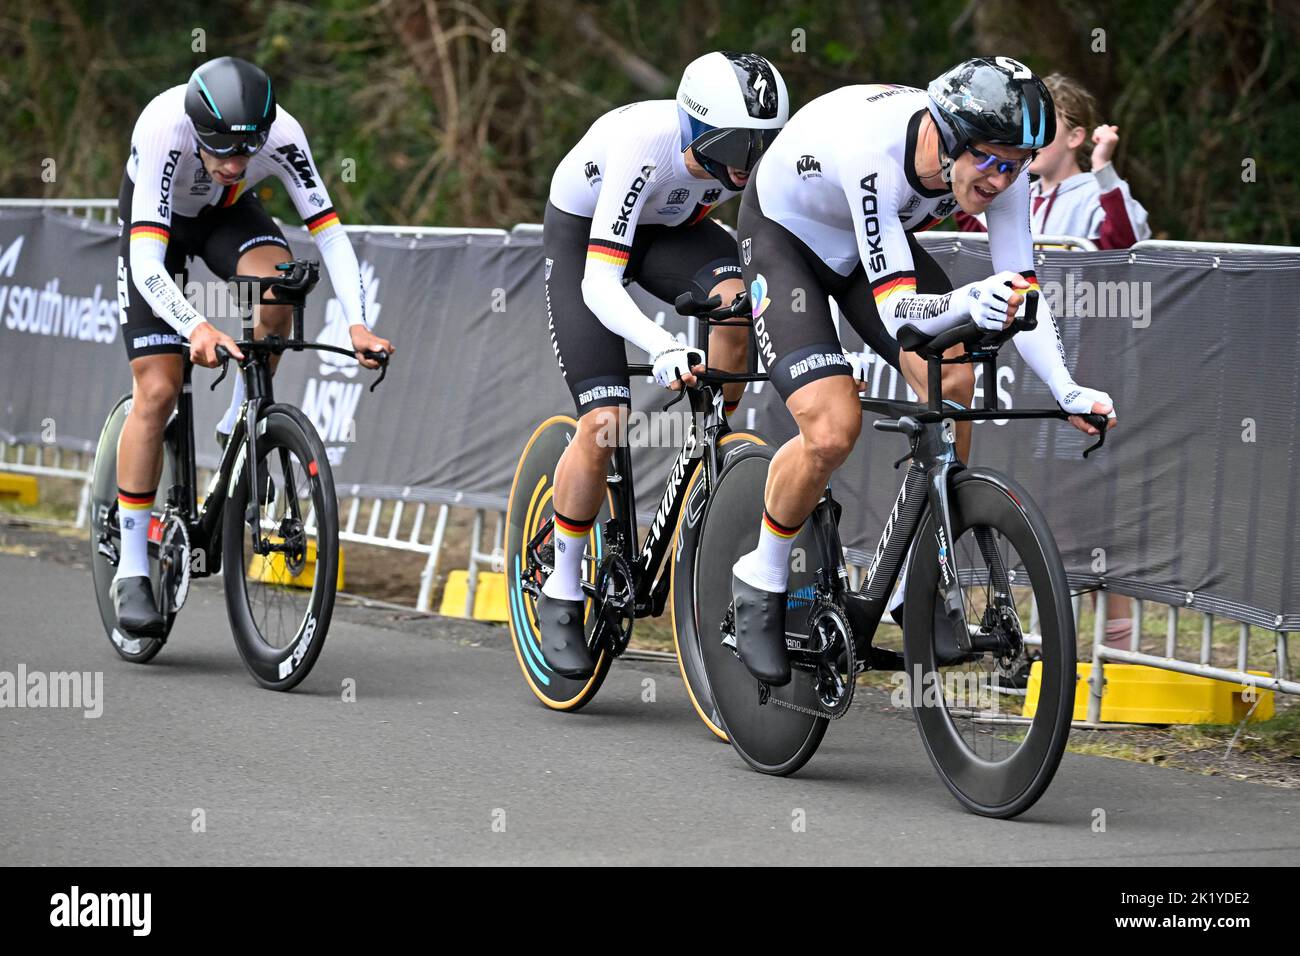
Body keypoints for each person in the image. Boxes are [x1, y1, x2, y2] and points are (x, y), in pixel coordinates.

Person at [729, 57, 1117, 686]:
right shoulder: (874, 154)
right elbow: (899, 311)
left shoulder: (1002, 170)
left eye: (1016, 165)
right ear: (950, 136)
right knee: (831, 429)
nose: (999, 180)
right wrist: (967, 301)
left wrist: (1066, 387)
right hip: (787, 240)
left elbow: (1023, 291)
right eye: (988, 160)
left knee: (955, 381)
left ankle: (917, 583)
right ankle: (761, 575)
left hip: (864, 248)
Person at [112, 56, 393, 636]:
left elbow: (331, 234)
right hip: (157, 230)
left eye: (247, 153)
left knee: (284, 281)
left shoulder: (284, 134)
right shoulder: (164, 126)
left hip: (228, 216)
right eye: (222, 153)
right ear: (198, 132)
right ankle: (133, 570)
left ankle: (241, 415)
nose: (236, 163)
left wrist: (358, 324)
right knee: (159, 389)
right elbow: (145, 263)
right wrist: (195, 327)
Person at [537, 51, 789, 678]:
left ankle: (712, 441)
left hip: (674, 228)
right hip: (586, 240)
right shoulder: (642, 144)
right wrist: (663, 345)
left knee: (735, 308)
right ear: (699, 129)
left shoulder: (737, 162)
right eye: (737, 146)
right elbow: (602, 284)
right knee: (605, 421)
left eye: (763, 144)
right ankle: (562, 585)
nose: (749, 162)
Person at [957, 72, 1150, 247]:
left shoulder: (1099, 194)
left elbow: (1126, 247)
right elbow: (977, 248)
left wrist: (1102, 165)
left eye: (1044, 128)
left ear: (1074, 137)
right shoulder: (1011, 192)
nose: (1030, 139)